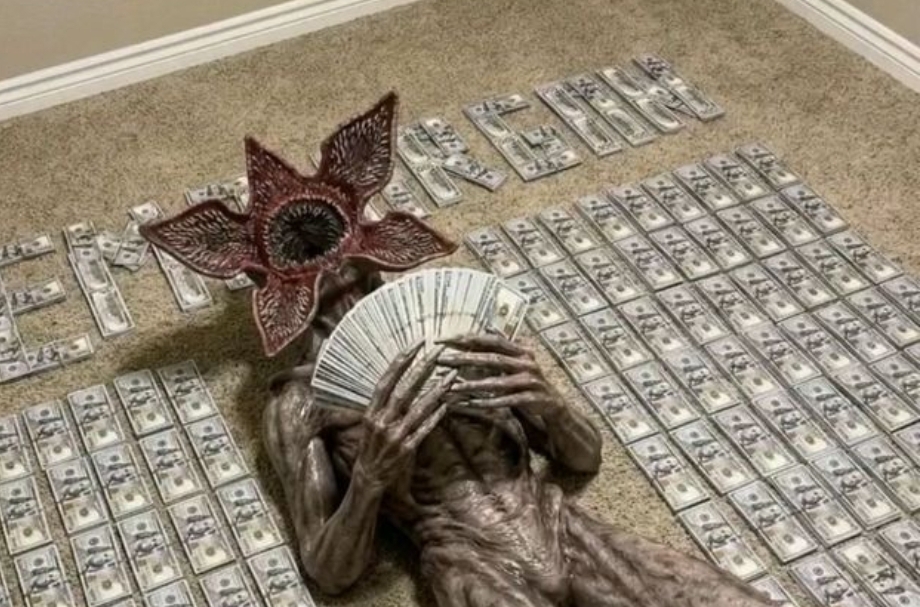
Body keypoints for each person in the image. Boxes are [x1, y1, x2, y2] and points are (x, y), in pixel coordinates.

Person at [141, 92, 776, 607]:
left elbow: (584, 459)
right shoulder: (298, 404)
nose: (333, 272)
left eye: (339, 249)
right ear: (269, 281)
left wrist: (550, 404)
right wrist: (369, 480)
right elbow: (331, 573)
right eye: (304, 260)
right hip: (464, 560)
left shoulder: (458, 324)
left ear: (369, 243)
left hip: (563, 525)